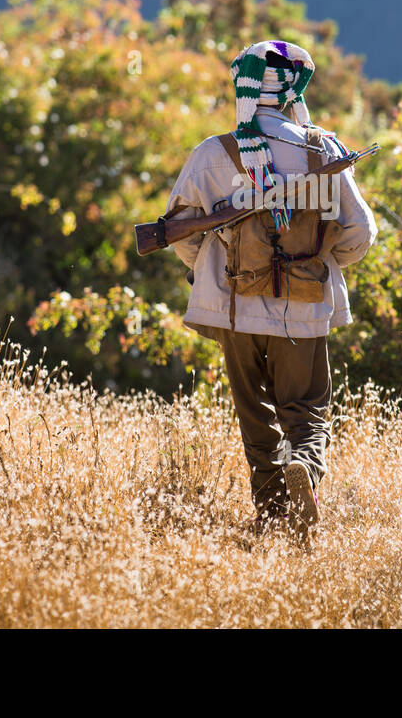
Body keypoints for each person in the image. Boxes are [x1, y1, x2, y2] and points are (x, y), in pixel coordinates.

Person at [162, 40, 377, 540]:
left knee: (256, 418)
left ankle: (273, 517)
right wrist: (319, 265)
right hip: (304, 309)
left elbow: (180, 231)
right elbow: (360, 231)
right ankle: (303, 464)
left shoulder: (212, 153)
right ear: (293, 86)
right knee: (306, 410)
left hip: (235, 311)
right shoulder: (325, 151)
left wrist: (213, 271)